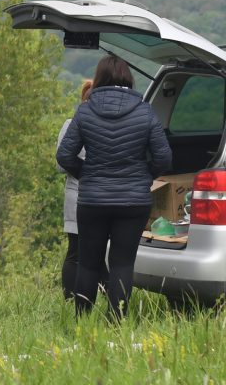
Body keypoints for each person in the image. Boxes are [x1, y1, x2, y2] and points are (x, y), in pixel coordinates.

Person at [57, 55, 171, 320]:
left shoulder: (85, 111)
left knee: (87, 262)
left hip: (92, 200)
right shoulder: (144, 111)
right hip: (133, 201)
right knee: (122, 264)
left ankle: (82, 322)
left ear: (99, 78)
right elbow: (164, 158)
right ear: (127, 79)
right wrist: (143, 177)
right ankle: (116, 323)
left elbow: (64, 156)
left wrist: (87, 175)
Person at [57, 79, 102, 299]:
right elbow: (60, 164)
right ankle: (70, 298)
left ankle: (92, 296)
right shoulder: (70, 124)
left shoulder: (100, 125)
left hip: (97, 196)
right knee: (76, 251)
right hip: (78, 196)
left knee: (94, 252)